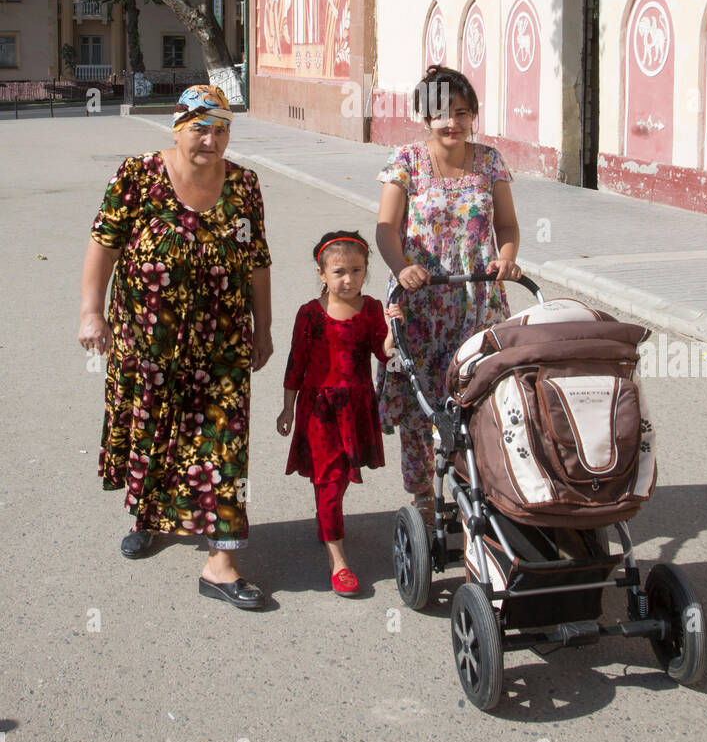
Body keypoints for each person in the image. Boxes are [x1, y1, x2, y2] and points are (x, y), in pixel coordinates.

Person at [78, 84, 273, 611]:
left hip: (223, 341)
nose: (211, 139)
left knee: (222, 443)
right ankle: (149, 516)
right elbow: (105, 244)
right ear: (178, 127)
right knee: (155, 430)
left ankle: (222, 562)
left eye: (222, 129)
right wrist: (91, 312)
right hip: (147, 339)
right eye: (200, 128)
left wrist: (265, 326)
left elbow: (257, 259)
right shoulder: (137, 175)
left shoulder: (245, 185)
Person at [375, 64, 521, 521]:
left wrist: (508, 257)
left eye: (461, 112)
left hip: (480, 302)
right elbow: (385, 231)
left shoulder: (490, 160)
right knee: (424, 411)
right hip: (423, 304)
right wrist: (403, 269)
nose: (451, 123)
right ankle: (424, 498)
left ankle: (481, 487)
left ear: (474, 114)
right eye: (441, 113)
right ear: (425, 117)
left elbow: (507, 225)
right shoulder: (406, 163)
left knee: (483, 400)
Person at [276, 230, 399, 597]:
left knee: (341, 478)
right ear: (322, 273)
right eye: (339, 272)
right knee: (328, 481)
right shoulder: (309, 314)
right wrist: (287, 408)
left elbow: (384, 354)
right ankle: (339, 561)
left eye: (357, 271)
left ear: (366, 272)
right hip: (318, 410)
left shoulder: (373, 309)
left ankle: (325, 519)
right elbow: (296, 363)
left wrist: (392, 330)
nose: (348, 280)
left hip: (357, 407)